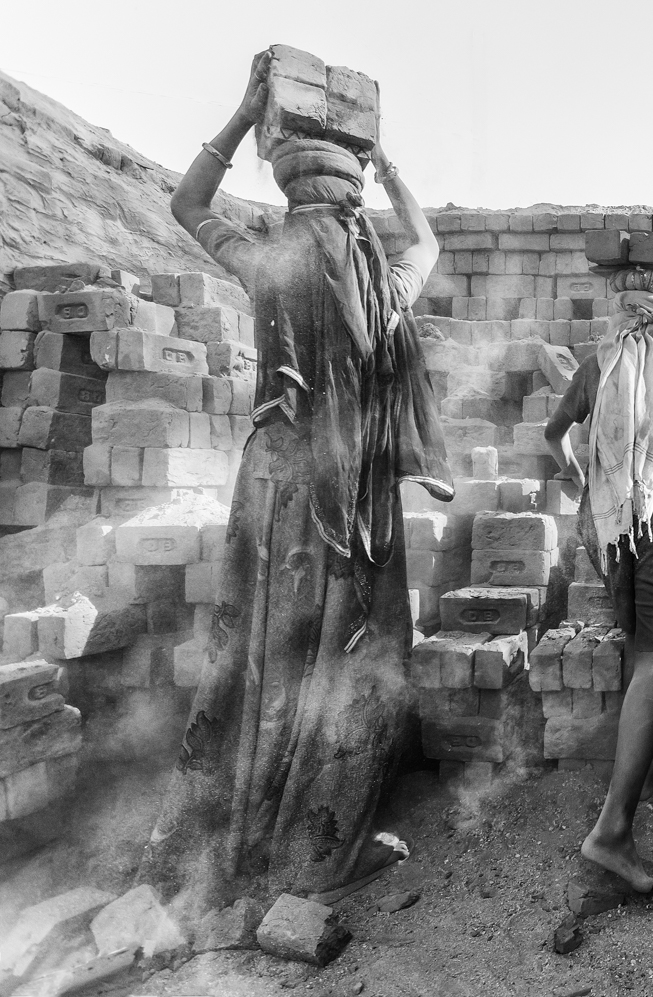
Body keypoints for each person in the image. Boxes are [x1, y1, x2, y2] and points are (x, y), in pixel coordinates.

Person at [139, 50, 452, 907]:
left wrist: (243, 115)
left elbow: (186, 203)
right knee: (356, 656)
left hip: (273, 488)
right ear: (352, 202)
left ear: (289, 196)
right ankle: (315, 842)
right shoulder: (386, 288)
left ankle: (234, 837)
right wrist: (391, 173)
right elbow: (425, 241)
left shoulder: (267, 262)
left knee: (259, 653)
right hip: (355, 505)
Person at [544, 261, 653, 893]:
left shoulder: (595, 369)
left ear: (618, 313)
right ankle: (612, 831)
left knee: (636, 640)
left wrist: (582, 479)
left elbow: (553, 434)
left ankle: (632, 764)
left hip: (606, 523)